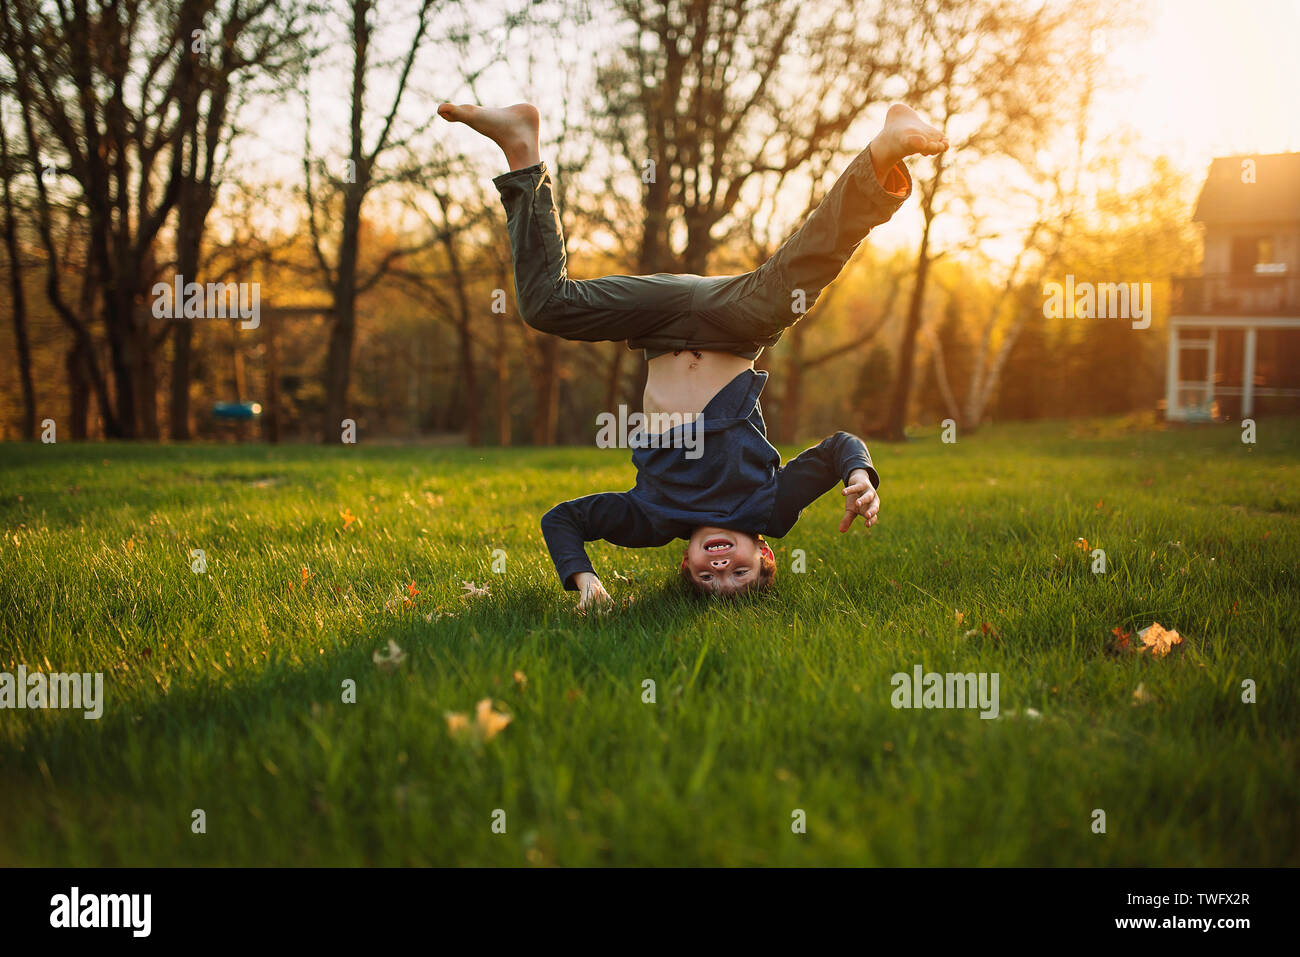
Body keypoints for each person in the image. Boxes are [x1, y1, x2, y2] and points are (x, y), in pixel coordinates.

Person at [438, 100, 948, 609]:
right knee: (798, 277)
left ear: (686, 563)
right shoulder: (771, 507)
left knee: (546, 306)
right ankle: (883, 153)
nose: (722, 569)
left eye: (708, 580)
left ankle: (522, 149)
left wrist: (584, 580)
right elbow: (839, 445)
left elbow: (563, 519)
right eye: (741, 573)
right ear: (763, 550)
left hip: (657, 321)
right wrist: (860, 475)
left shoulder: (654, 519)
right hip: (735, 320)